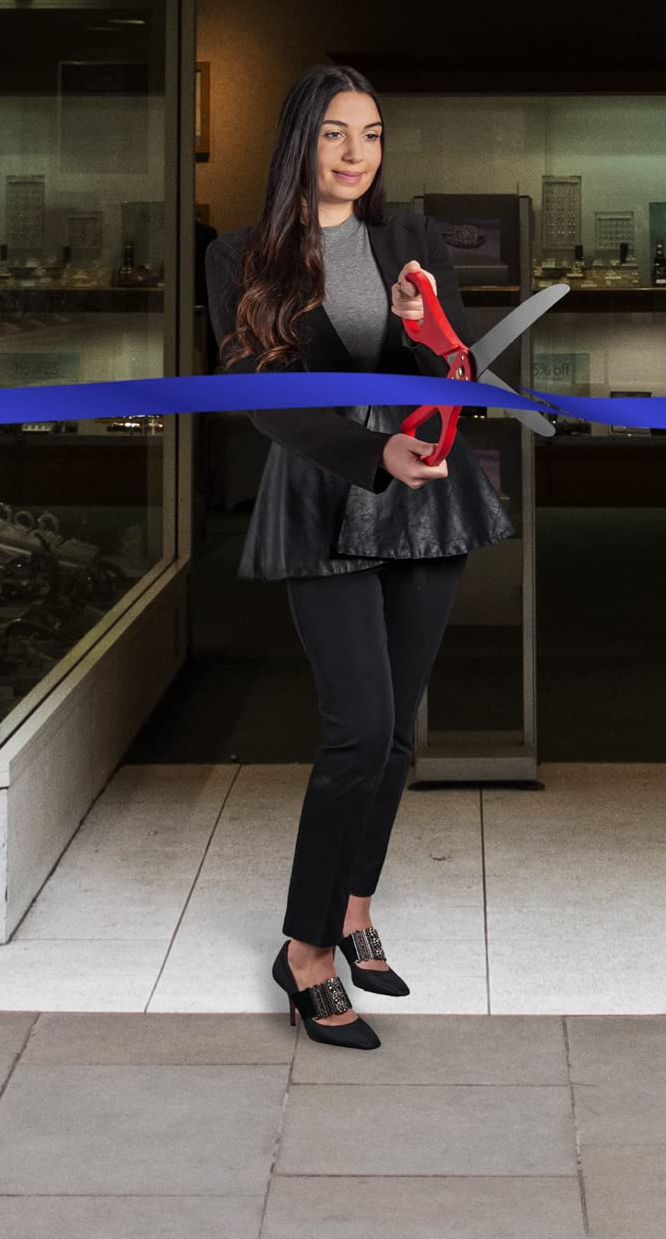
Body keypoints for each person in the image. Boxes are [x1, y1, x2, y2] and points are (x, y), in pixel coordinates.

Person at [205, 64, 513, 1049]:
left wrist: (431, 332)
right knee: (356, 725)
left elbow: (460, 375)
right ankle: (303, 951)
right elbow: (255, 394)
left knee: (394, 735)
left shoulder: (411, 239)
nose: (354, 155)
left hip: (426, 491)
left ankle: (351, 905)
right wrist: (364, 447)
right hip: (320, 490)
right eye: (336, 133)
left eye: (371, 135)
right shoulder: (239, 255)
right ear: (300, 140)